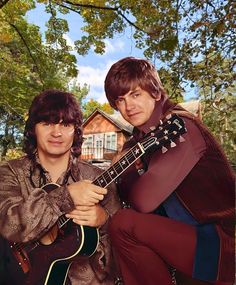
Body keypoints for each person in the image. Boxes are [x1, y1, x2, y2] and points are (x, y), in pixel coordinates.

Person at [104, 57, 235, 285]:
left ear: (155, 92)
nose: (128, 106)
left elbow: (143, 201)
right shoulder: (135, 144)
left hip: (217, 245)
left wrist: (125, 171)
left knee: (123, 223)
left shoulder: (181, 126)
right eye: (120, 100)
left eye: (136, 94)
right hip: (178, 245)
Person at [0, 89, 121, 285]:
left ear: (76, 131)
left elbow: (122, 248)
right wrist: (67, 195)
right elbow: (9, 222)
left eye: (65, 124)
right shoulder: (10, 172)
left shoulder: (98, 178)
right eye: (47, 123)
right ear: (33, 129)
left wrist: (105, 221)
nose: (56, 132)